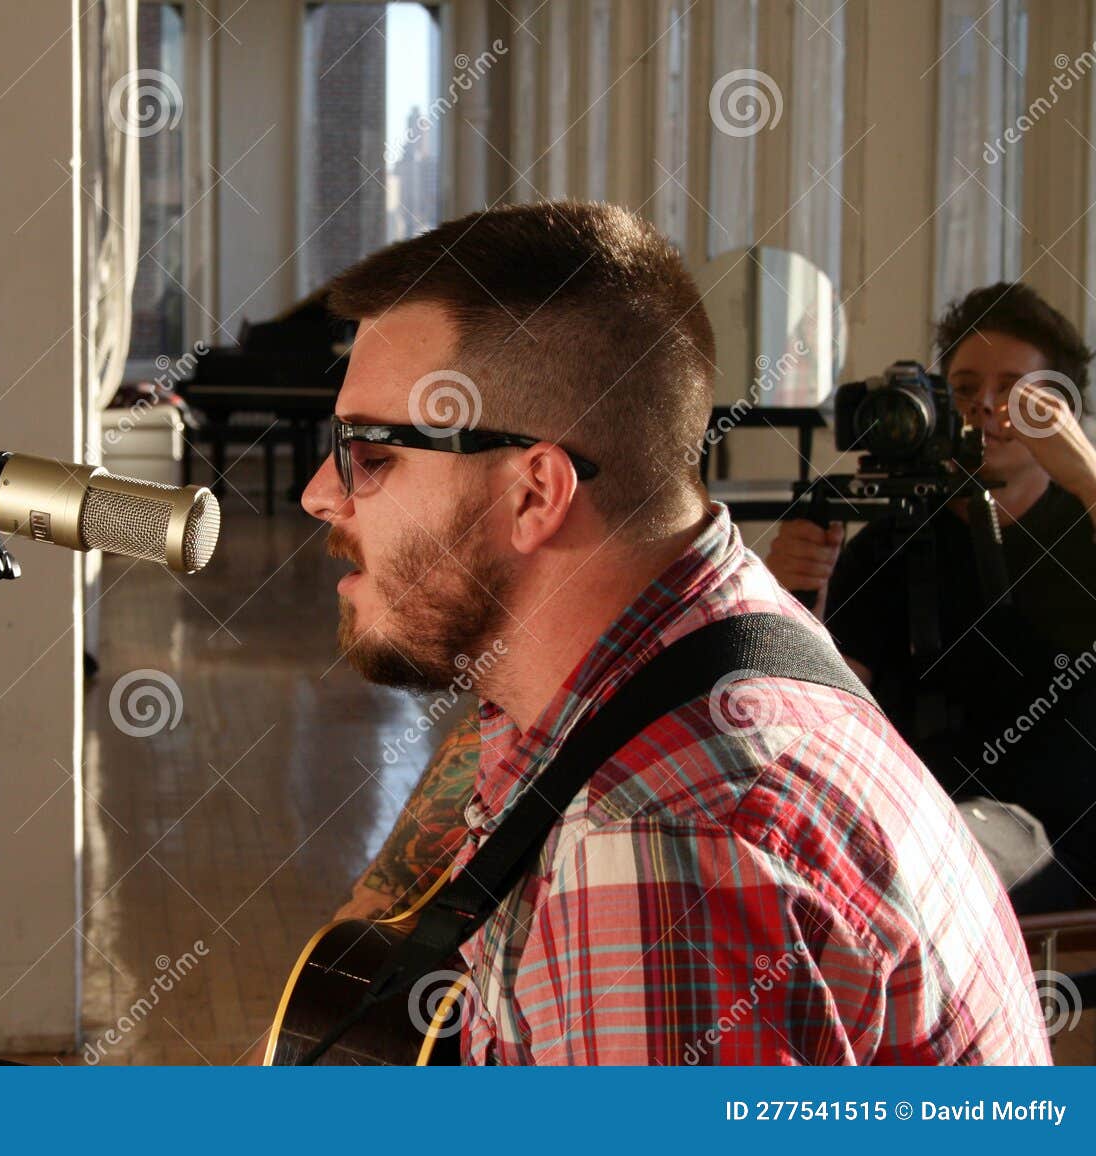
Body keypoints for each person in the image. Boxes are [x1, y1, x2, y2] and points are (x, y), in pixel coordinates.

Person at [297, 200, 1049, 1064]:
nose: (321, 493)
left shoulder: (652, 845)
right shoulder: (723, 634)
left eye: (370, 454)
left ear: (534, 493)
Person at [767, 283, 1096, 914]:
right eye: (965, 389)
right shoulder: (891, 538)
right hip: (919, 832)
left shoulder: (1084, 524)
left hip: (1064, 846)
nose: (986, 407)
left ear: (1061, 410)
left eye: (1016, 392)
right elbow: (821, 716)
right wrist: (793, 603)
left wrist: (1085, 474)